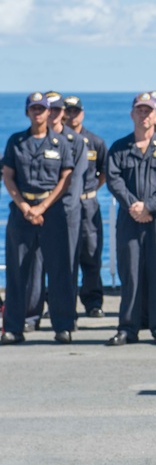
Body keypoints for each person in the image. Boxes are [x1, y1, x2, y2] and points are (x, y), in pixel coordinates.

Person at [105, 92, 156, 346]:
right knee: (131, 272)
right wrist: (134, 206)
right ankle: (128, 327)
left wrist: (148, 207)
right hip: (129, 218)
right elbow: (113, 180)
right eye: (140, 110)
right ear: (132, 114)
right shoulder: (119, 148)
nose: (144, 115)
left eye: (149, 110)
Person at [1, 92, 75, 344]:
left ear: (49, 112)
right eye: (33, 108)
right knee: (17, 272)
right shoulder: (16, 141)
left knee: (58, 272)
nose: (38, 113)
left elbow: (66, 179)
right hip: (22, 212)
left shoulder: (60, 143)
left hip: (51, 212)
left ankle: (62, 326)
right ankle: (13, 328)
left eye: (42, 108)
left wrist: (42, 207)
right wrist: (25, 207)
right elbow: (8, 176)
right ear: (27, 112)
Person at [64, 95, 109, 319]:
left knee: (91, 254)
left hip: (88, 204)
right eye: (68, 111)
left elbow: (105, 172)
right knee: (62, 256)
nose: (71, 115)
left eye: (75, 111)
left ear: (82, 113)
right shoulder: (57, 140)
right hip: (62, 205)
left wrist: (89, 191)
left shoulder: (95, 142)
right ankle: (63, 303)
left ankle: (93, 302)